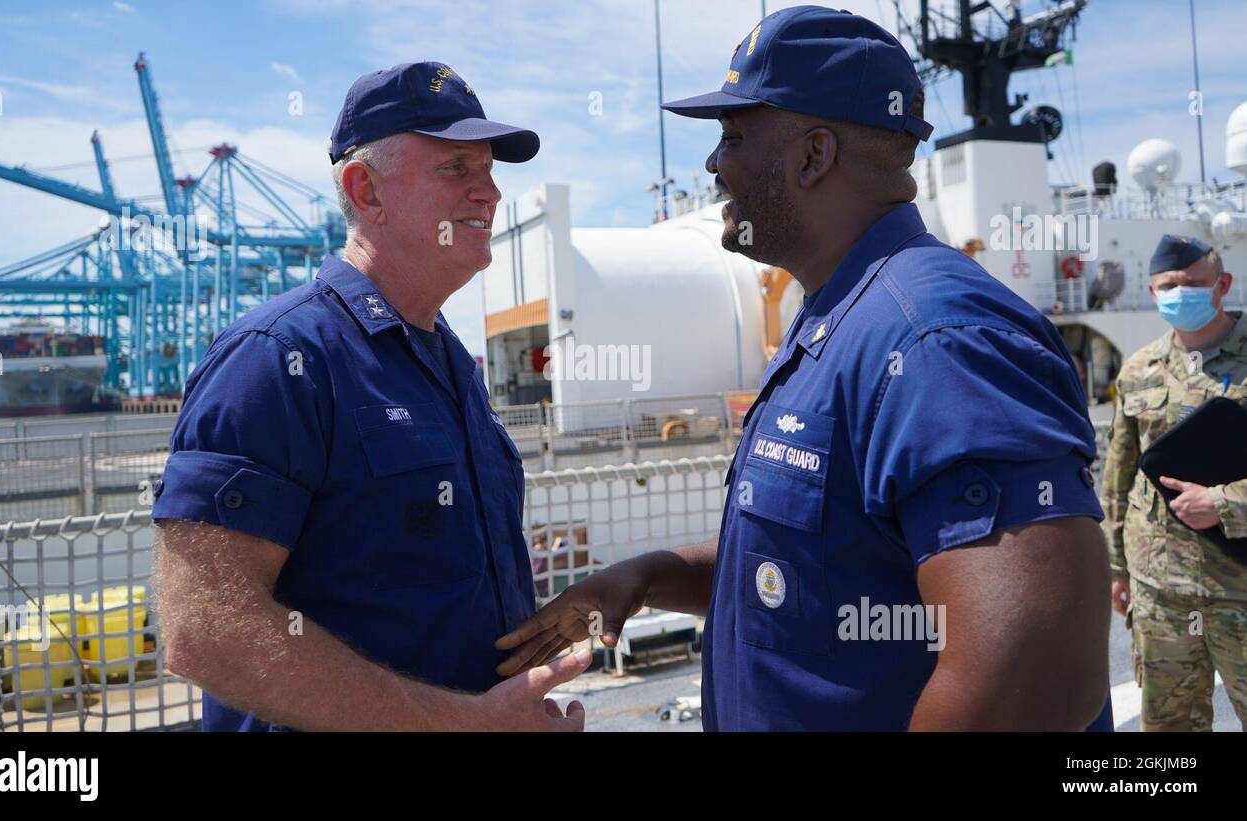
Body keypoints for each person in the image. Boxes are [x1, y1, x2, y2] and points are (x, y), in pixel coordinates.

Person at [496, 5, 1113, 730]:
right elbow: (817, 558)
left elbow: (1031, 671)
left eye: (732, 137)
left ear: (813, 156)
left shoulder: (938, 339)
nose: (712, 165)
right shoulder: (841, 315)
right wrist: (649, 575)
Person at [152, 61, 588, 731]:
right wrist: (463, 722)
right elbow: (206, 629)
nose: (491, 194)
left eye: (490, 170)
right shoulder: (275, 359)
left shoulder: (449, 363)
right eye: (457, 170)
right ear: (366, 189)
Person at [1103, 233, 1247, 731]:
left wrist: (1225, 502)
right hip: (1160, 588)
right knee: (1171, 728)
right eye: (1168, 285)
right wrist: (1116, 566)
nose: (1178, 293)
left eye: (1191, 283)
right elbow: (1120, 473)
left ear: (1222, 284)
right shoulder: (1139, 369)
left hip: (1240, 586)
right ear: (1151, 291)